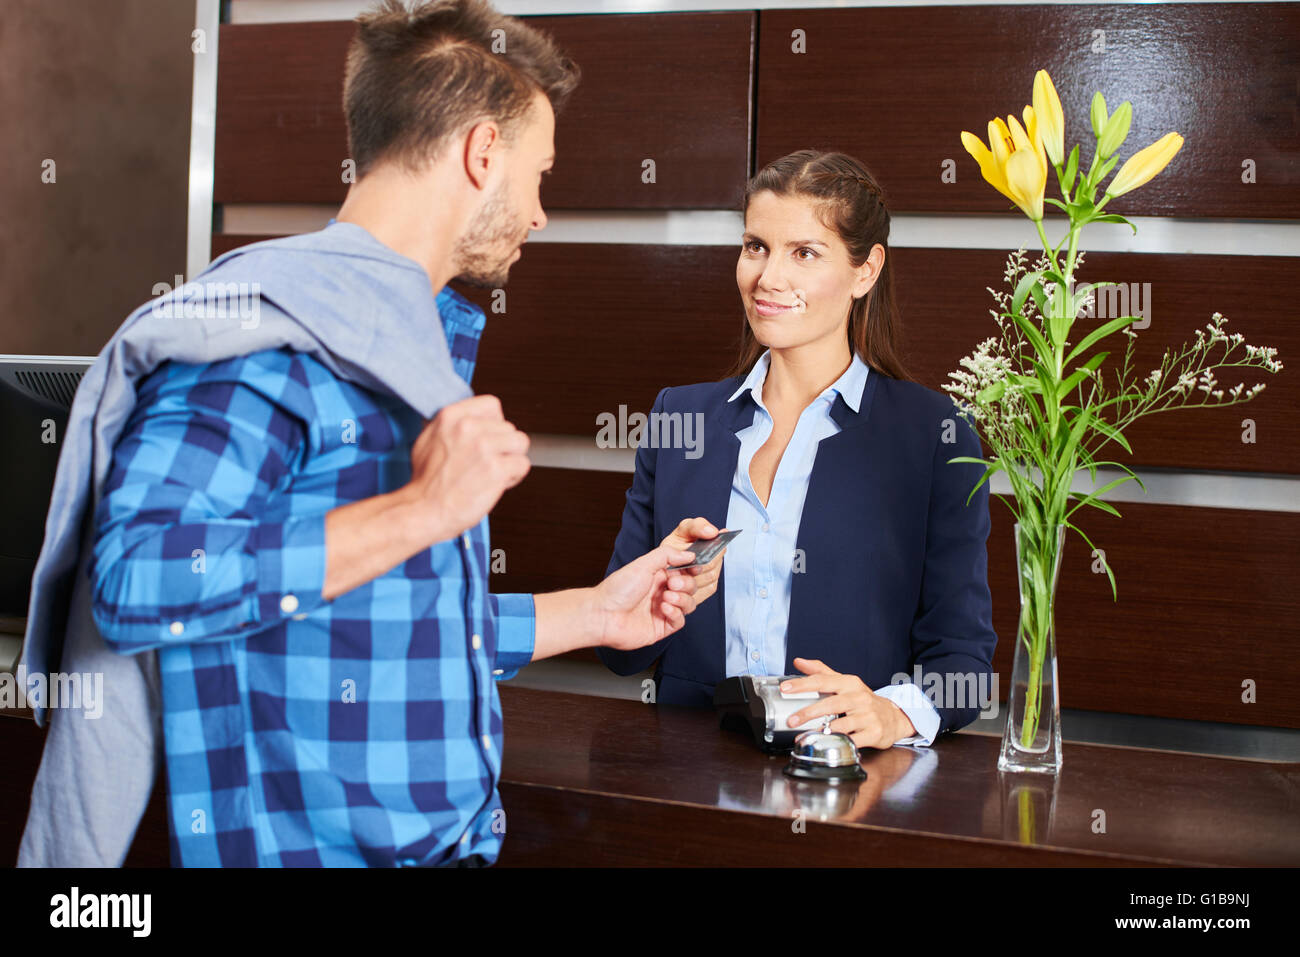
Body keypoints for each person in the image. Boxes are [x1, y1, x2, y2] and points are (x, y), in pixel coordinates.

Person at [18, 0, 707, 868]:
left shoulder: (406, 338)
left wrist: (593, 614)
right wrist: (422, 508)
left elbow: (386, 621)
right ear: (482, 153)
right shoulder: (264, 343)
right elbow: (136, 576)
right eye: (541, 174)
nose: (539, 213)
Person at [598, 150, 998, 749]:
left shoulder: (936, 435)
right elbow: (618, 652)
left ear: (866, 272)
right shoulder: (678, 418)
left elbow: (966, 668)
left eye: (804, 253)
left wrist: (892, 714)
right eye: (756, 246)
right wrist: (660, 595)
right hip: (682, 778)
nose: (768, 278)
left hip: (847, 787)